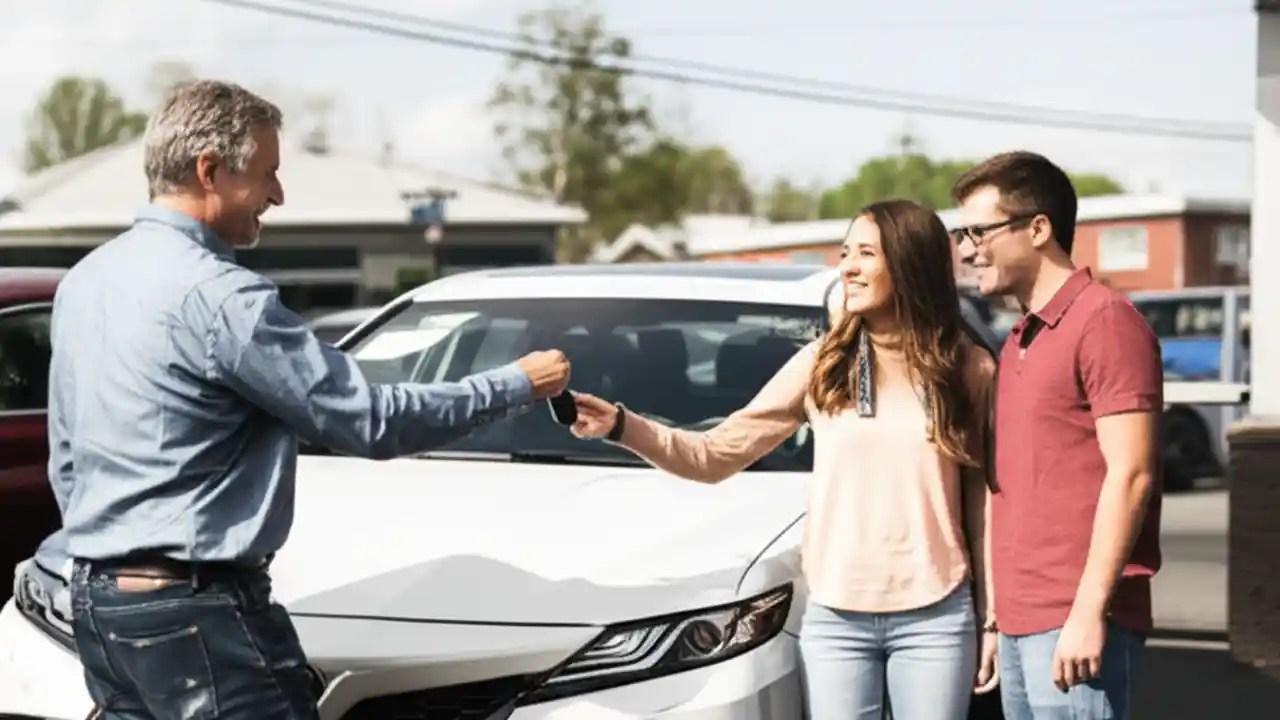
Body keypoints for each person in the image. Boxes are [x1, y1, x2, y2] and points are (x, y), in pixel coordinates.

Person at [45, 79, 570, 719]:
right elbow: (372, 422)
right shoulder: (223, 299)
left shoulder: (86, 282)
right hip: (196, 613)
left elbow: (68, 460)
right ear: (209, 171)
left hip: (98, 604)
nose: (277, 195)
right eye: (267, 174)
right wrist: (515, 383)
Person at [571, 200, 1000, 720]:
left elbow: (985, 504)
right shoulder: (825, 363)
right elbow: (715, 454)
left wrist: (990, 618)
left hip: (936, 615)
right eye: (846, 252)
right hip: (837, 619)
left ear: (909, 263)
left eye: (866, 253)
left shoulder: (968, 369)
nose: (848, 266)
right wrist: (622, 425)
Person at [950, 151, 1163, 720]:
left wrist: (1090, 611)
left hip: (1077, 625)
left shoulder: (1105, 321)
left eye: (979, 231)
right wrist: (997, 620)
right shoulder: (1022, 337)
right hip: (1022, 624)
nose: (967, 250)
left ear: (1038, 228)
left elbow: (1133, 474)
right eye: (961, 234)